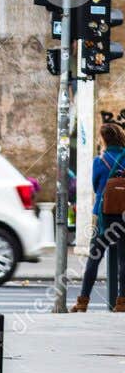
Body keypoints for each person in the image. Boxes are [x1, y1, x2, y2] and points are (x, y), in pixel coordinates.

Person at [73, 121, 125, 312]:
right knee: (123, 260)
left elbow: (96, 187)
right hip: (123, 216)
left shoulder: (99, 161)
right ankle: (121, 303)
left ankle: (83, 302)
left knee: (94, 258)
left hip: (103, 216)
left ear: (104, 139)